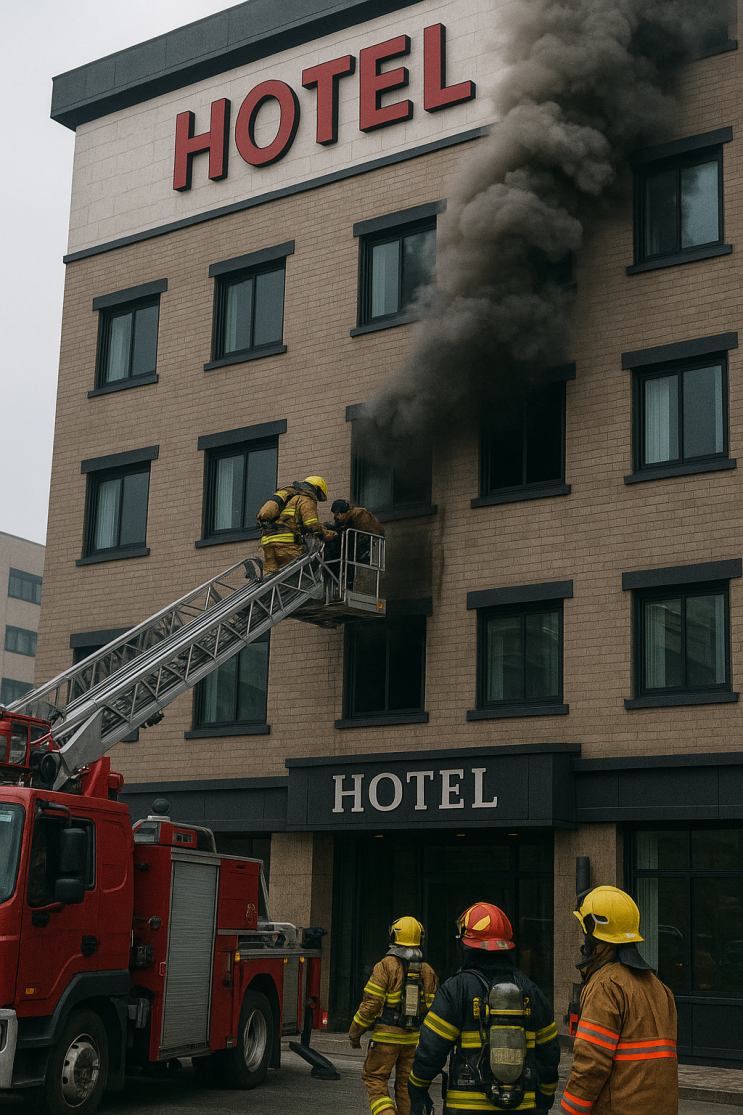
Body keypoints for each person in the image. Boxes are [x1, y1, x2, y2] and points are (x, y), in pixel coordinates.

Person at [408, 902, 560, 1113]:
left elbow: (430, 1051)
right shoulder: (530, 990)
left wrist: (417, 1089)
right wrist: (543, 1099)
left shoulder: (455, 989)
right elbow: (550, 1055)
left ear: (465, 945)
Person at [560, 886, 678, 1115]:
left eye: (585, 931)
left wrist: (568, 1111)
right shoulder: (661, 989)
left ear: (594, 933)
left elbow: (591, 1064)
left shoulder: (606, 986)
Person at [349, 916, 439, 1115]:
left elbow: (370, 1006)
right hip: (413, 1043)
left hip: (384, 1041)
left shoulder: (385, 966)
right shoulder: (427, 971)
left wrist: (355, 1033)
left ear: (393, 935)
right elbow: (434, 1012)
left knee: (375, 1080)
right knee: (407, 1087)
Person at [257, 476, 337, 575]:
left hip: (267, 544)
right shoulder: (306, 498)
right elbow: (311, 524)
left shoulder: (285, 495)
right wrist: (324, 532)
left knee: (274, 579)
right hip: (287, 545)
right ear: (316, 488)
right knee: (293, 577)